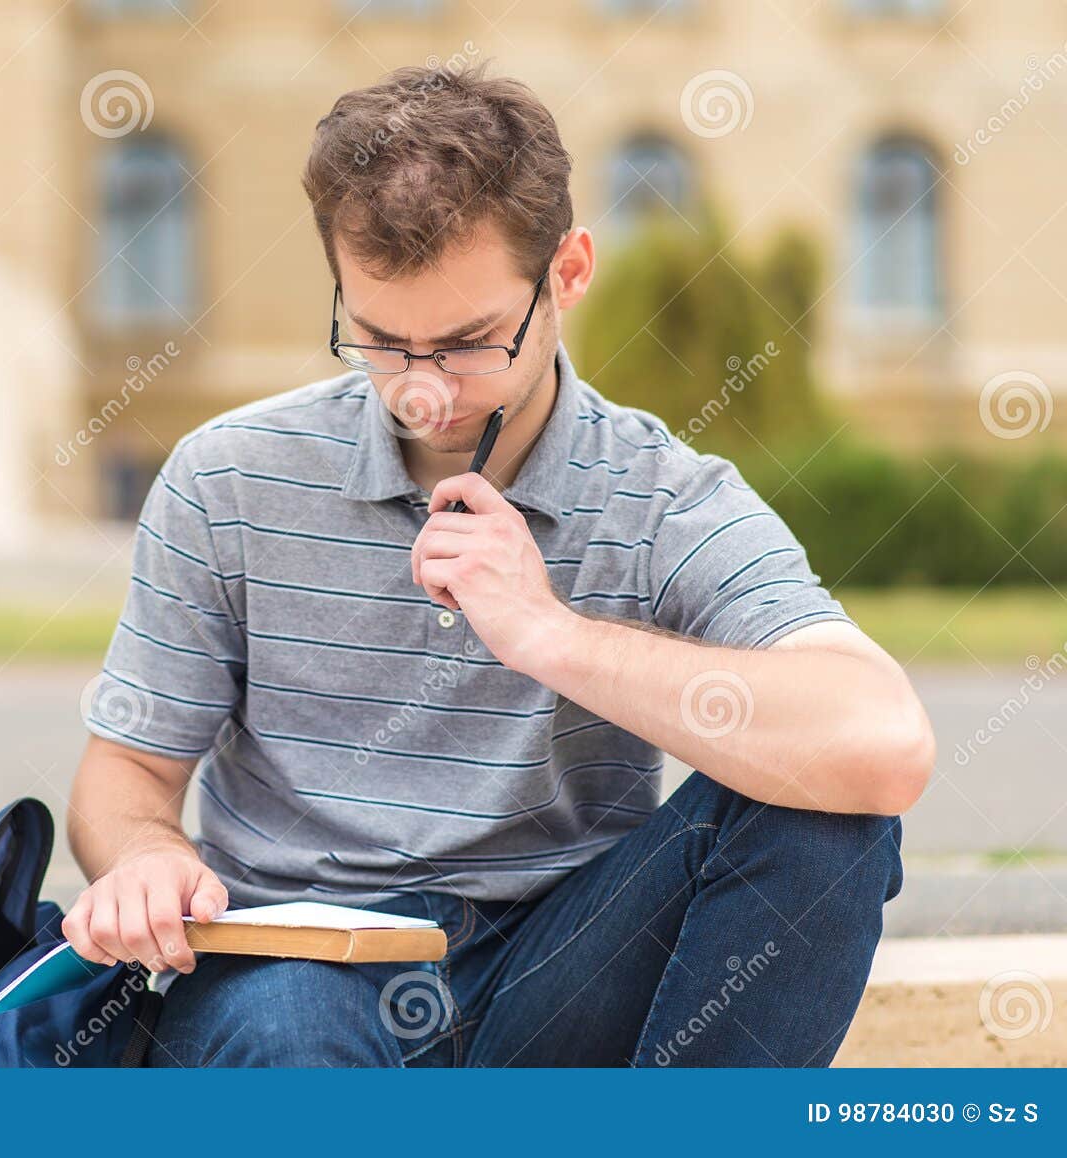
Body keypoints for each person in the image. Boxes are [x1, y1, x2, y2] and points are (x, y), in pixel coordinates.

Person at [61, 61, 933, 1067]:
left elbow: (880, 739)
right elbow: (125, 771)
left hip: (554, 976)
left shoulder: (658, 492)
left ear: (565, 275)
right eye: (381, 341)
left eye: (469, 342)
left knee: (828, 827)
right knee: (284, 1033)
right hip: (298, 976)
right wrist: (145, 856)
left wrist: (551, 636)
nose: (423, 391)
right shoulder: (227, 479)